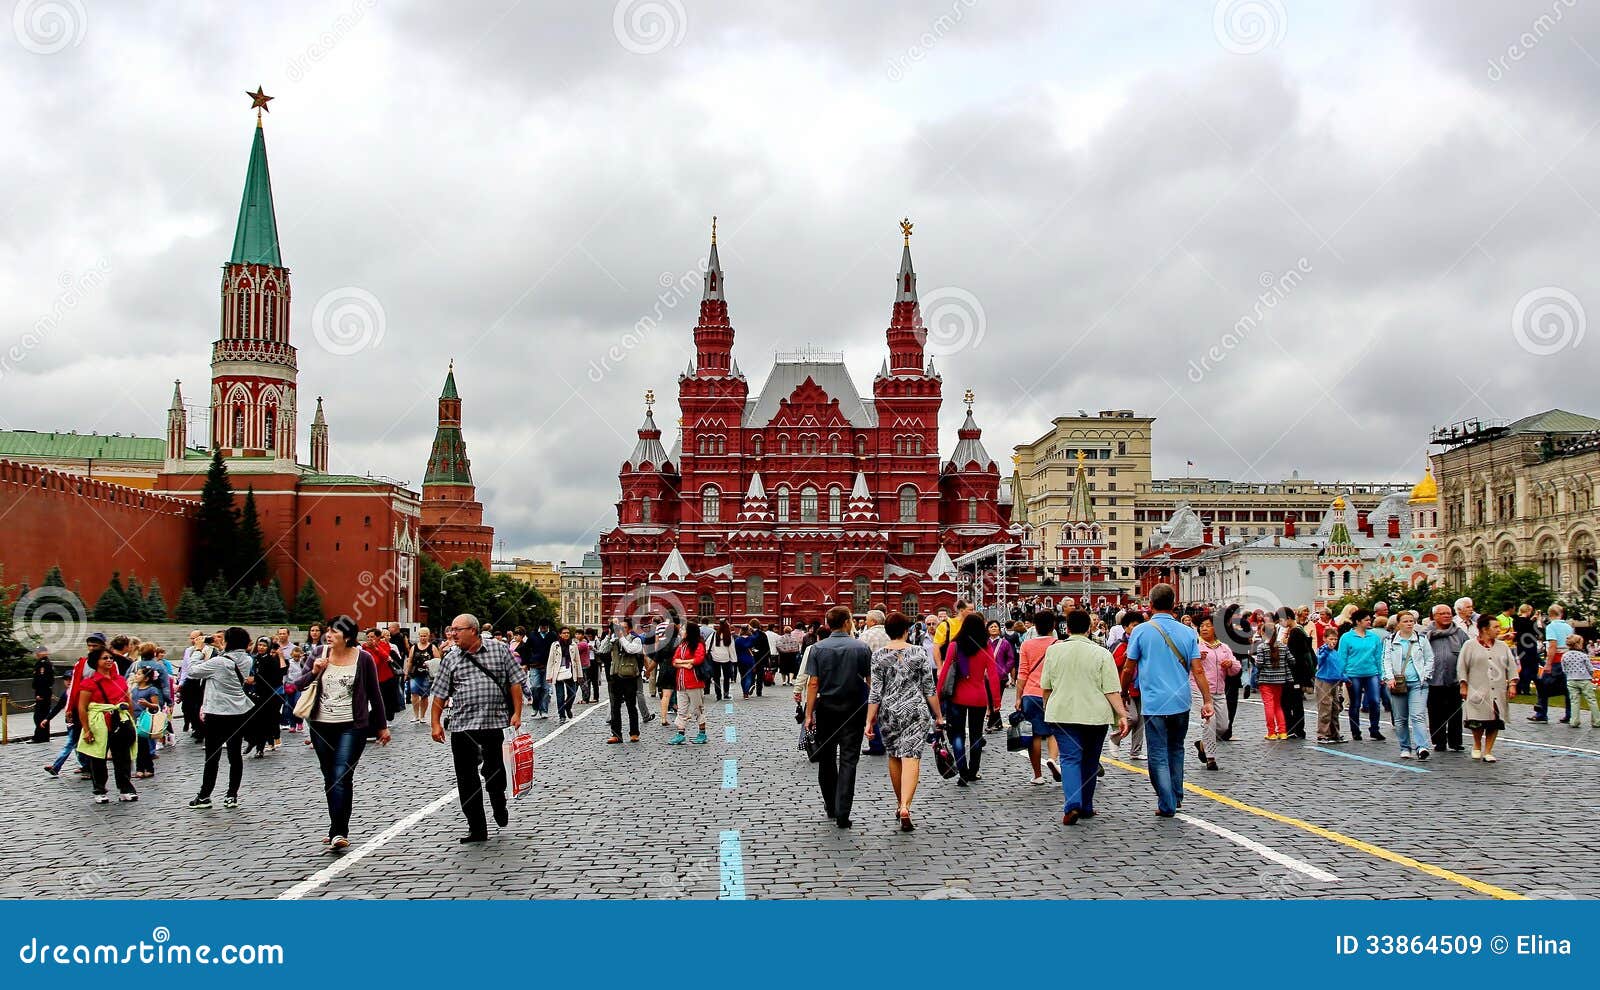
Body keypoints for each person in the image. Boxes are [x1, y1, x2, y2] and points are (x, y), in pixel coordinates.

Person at [295, 615, 391, 850]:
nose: (329, 635)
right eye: (328, 630)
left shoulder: (363, 658)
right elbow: (297, 684)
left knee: (341, 774)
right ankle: (336, 826)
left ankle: (339, 831)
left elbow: (374, 693)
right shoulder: (318, 653)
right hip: (319, 724)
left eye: (334, 632)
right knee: (330, 776)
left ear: (347, 637)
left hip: (352, 725)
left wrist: (381, 725)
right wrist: (315, 671)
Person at [431, 613, 524, 843]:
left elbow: (515, 682)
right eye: (451, 630)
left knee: (495, 771)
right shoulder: (450, 658)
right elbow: (440, 693)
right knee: (466, 778)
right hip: (462, 726)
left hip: (493, 723)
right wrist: (435, 723)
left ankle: (498, 799)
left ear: (472, 630)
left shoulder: (499, 650)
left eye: (457, 630)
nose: (452, 634)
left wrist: (517, 713)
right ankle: (477, 828)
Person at [1124, 584, 1209, 818]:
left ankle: (1167, 801)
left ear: (1149, 605)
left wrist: (1122, 692)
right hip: (1181, 701)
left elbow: (1128, 668)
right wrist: (1207, 700)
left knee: (1158, 753)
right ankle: (1176, 794)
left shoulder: (1141, 631)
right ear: (1174, 605)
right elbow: (1198, 671)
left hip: (1153, 703)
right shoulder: (1188, 632)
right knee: (1176, 749)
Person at [1041, 609, 1130, 825]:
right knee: (1090, 760)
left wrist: (1047, 708)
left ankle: (1073, 805)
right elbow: (1110, 689)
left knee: (1070, 759)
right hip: (1095, 716)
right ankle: (1087, 805)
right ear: (1089, 629)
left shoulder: (1054, 652)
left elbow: (1046, 687)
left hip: (1062, 713)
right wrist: (1122, 715)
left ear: (1067, 628)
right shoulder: (1102, 654)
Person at [865, 611, 942, 831]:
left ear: (887, 632)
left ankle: (899, 803)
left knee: (895, 756)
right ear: (907, 631)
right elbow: (929, 688)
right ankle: (907, 805)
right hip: (915, 711)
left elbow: (875, 692)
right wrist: (938, 715)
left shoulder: (878, 656)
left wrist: (869, 721)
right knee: (912, 758)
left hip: (889, 711)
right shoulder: (918, 653)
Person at [803, 606, 873, 827]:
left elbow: (813, 682)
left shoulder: (817, 648)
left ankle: (831, 806)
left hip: (826, 709)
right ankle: (844, 812)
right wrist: (872, 712)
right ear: (846, 622)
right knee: (849, 760)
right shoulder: (861, 648)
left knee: (826, 758)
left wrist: (808, 714)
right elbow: (870, 682)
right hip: (854, 709)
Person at [185, 627, 257, 810]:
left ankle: (204, 795)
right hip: (239, 712)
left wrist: (198, 650)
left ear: (229, 642)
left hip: (217, 713)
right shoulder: (246, 659)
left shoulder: (219, 662)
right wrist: (220, 646)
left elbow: (192, 671)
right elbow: (229, 659)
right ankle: (232, 795)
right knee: (235, 754)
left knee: (212, 756)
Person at [936, 613, 1002, 785]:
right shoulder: (986, 646)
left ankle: (962, 771)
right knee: (976, 735)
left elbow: (944, 673)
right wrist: (996, 701)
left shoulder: (954, 646)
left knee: (957, 735)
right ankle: (973, 771)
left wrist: (936, 696)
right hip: (979, 697)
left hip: (958, 697)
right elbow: (993, 675)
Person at [76, 647, 138, 804]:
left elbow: (128, 701)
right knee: (97, 758)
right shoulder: (89, 683)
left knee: (123, 757)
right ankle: (100, 790)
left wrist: (132, 719)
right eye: (105, 658)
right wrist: (86, 730)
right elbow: (82, 708)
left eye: (110, 658)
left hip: (120, 720)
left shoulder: (120, 680)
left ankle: (126, 789)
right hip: (100, 722)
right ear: (96, 662)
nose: (109, 660)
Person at [1459, 613, 1514, 762]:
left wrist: (1513, 684)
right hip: (1476, 688)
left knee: (1495, 721)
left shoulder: (1502, 646)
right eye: (1495, 627)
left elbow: (1511, 666)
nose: (1499, 630)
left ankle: (1488, 750)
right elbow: (1462, 666)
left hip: (1498, 689)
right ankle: (1477, 745)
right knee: (1477, 720)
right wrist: (1463, 685)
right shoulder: (1469, 645)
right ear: (1484, 629)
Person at [1014, 610, 1061, 784]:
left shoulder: (1027, 645)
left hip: (1030, 694)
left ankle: (1037, 775)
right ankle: (1053, 760)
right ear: (1053, 626)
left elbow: (1022, 673)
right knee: (1053, 730)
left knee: (1033, 734)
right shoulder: (1059, 644)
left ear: (1035, 626)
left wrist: (1018, 697)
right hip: (1053, 693)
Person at [1382, 611, 1434, 760]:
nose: (1409, 624)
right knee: (1400, 719)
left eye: (1411, 621)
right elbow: (1385, 660)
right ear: (1398, 624)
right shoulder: (1390, 640)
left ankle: (1422, 747)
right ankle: (1405, 747)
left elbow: (1429, 658)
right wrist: (1389, 678)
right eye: (1405, 621)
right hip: (1398, 683)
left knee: (1418, 715)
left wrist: (1425, 675)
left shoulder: (1421, 640)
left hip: (1418, 683)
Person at [1194, 616, 1240, 769]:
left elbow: (1236, 668)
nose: (1204, 628)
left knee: (1223, 727)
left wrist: (1230, 664)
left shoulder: (1223, 647)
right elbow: (1183, 664)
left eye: (1208, 625)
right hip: (1200, 691)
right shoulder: (1195, 646)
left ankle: (1202, 744)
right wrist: (1195, 659)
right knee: (1209, 722)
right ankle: (1211, 758)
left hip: (1219, 692)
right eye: (1202, 626)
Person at [1423, 604, 1467, 753]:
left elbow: (1467, 653)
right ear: (1434, 617)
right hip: (1433, 680)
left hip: (1454, 679)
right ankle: (1439, 741)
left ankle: (1456, 741)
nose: (1447, 616)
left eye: (1449, 613)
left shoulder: (1459, 633)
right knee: (1435, 713)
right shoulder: (1425, 634)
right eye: (1443, 614)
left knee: (1455, 712)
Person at [1338, 609, 1386, 742]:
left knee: (1375, 702)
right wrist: (1343, 675)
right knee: (1355, 703)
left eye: (1370, 619)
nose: (1369, 621)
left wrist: (1381, 674)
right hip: (1353, 674)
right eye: (1366, 620)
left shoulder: (1374, 637)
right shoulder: (1347, 637)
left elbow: (1378, 656)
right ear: (1358, 621)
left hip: (1372, 673)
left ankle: (1374, 729)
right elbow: (1342, 657)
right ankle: (1355, 730)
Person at [597, 621, 644, 743]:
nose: (620, 630)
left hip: (630, 677)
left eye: (623, 628)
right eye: (619, 628)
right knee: (615, 706)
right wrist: (608, 635)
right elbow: (602, 650)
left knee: (631, 705)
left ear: (629, 629)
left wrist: (621, 637)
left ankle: (634, 733)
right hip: (615, 676)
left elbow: (630, 650)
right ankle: (616, 734)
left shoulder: (636, 640)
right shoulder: (614, 640)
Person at [1111, 611, 1146, 759]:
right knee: (1132, 718)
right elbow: (1112, 665)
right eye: (1134, 626)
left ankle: (1136, 751)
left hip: (1142, 685)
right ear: (1126, 628)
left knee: (1141, 721)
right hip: (1126, 687)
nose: (1137, 628)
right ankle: (1115, 738)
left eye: (1139, 625)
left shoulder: (1144, 643)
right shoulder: (1120, 645)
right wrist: (1124, 657)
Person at [668, 622, 710, 745]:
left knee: (698, 709)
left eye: (684, 629)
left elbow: (698, 659)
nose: (681, 631)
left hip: (694, 682)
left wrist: (682, 662)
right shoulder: (682, 644)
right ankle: (680, 734)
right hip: (681, 683)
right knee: (681, 710)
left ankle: (702, 734)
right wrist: (686, 664)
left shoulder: (698, 644)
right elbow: (674, 661)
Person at [1252, 612, 1290, 739]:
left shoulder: (1262, 647)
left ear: (1263, 633)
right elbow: (1292, 660)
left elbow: (1260, 664)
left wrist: (1255, 660)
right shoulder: (1282, 646)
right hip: (1280, 679)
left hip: (1266, 680)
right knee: (1278, 705)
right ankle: (1283, 731)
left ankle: (1272, 732)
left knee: (1269, 706)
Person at [1538, 605, 1577, 724]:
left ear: (1550, 615)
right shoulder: (1569, 627)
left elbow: (1553, 645)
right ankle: (1569, 715)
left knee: (1542, 685)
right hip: (1568, 659)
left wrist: (1548, 664)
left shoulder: (1551, 627)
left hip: (1556, 660)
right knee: (1568, 688)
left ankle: (1541, 713)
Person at [1281, 608, 1313, 739]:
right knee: (1294, 701)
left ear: (1288, 618)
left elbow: (1295, 656)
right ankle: (1296, 728)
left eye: (1282, 620)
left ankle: (1295, 728)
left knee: (1292, 702)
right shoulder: (1297, 630)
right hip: (1297, 672)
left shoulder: (1295, 633)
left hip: (1295, 673)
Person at [129, 666, 162, 779]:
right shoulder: (134, 690)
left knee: (143, 745)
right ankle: (144, 768)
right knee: (139, 745)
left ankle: (144, 768)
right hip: (135, 720)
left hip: (145, 720)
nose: (136, 676)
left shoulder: (152, 690)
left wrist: (147, 704)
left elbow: (156, 707)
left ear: (146, 678)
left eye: (139, 674)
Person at [1560, 634, 1599, 728]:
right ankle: (1597, 721)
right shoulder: (1583, 655)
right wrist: (1591, 675)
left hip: (1571, 680)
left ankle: (1574, 721)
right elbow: (1590, 668)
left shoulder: (1564, 655)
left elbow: (1564, 669)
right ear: (1579, 643)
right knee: (1591, 700)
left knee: (1574, 701)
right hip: (1584, 679)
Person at [406, 628, 442, 725]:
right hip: (415, 673)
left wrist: (429, 663)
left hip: (427, 675)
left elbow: (438, 660)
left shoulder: (432, 647)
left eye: (425, 636)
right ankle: (416, 715)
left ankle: (422, 716)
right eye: (421, 636)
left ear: (428, 636)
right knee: (414, 692)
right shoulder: (414, 647)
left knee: (424, 695)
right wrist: (407, 673)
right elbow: (410, 660)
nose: (423, 638)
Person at [547, 627, 583, 723]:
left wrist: (580, 675)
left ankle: (567, 707)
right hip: (558, 672)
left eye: (568, 633)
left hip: (571, 671)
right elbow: (550, 661)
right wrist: (549, 676)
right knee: (560, 695)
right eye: (564, 633)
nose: (566, 634)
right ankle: (561, 715)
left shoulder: (573, 645)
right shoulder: (555, 645)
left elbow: (577, 660)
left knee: (573, 693)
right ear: (560, 634)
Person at [29, 647, 55, 743]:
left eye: (38, 652)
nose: (37, 654)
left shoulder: (43, 664)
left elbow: (43, 680)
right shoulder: (43, 663)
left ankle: (40, 737)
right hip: (44, 692)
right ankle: (44, 736)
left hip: (42, 693)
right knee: (43, 715)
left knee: (39, 716)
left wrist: (40, 694)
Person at [708, 621, 737, 702]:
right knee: (726, 677)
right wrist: (734, 659)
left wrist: (712, 653)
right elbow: (732, 648)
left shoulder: (714, 635)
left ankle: (718, 695)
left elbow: (708, 646)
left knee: (716, 678)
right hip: (726, 659)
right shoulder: (729, 636)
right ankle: (726, 694)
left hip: (715, 659)